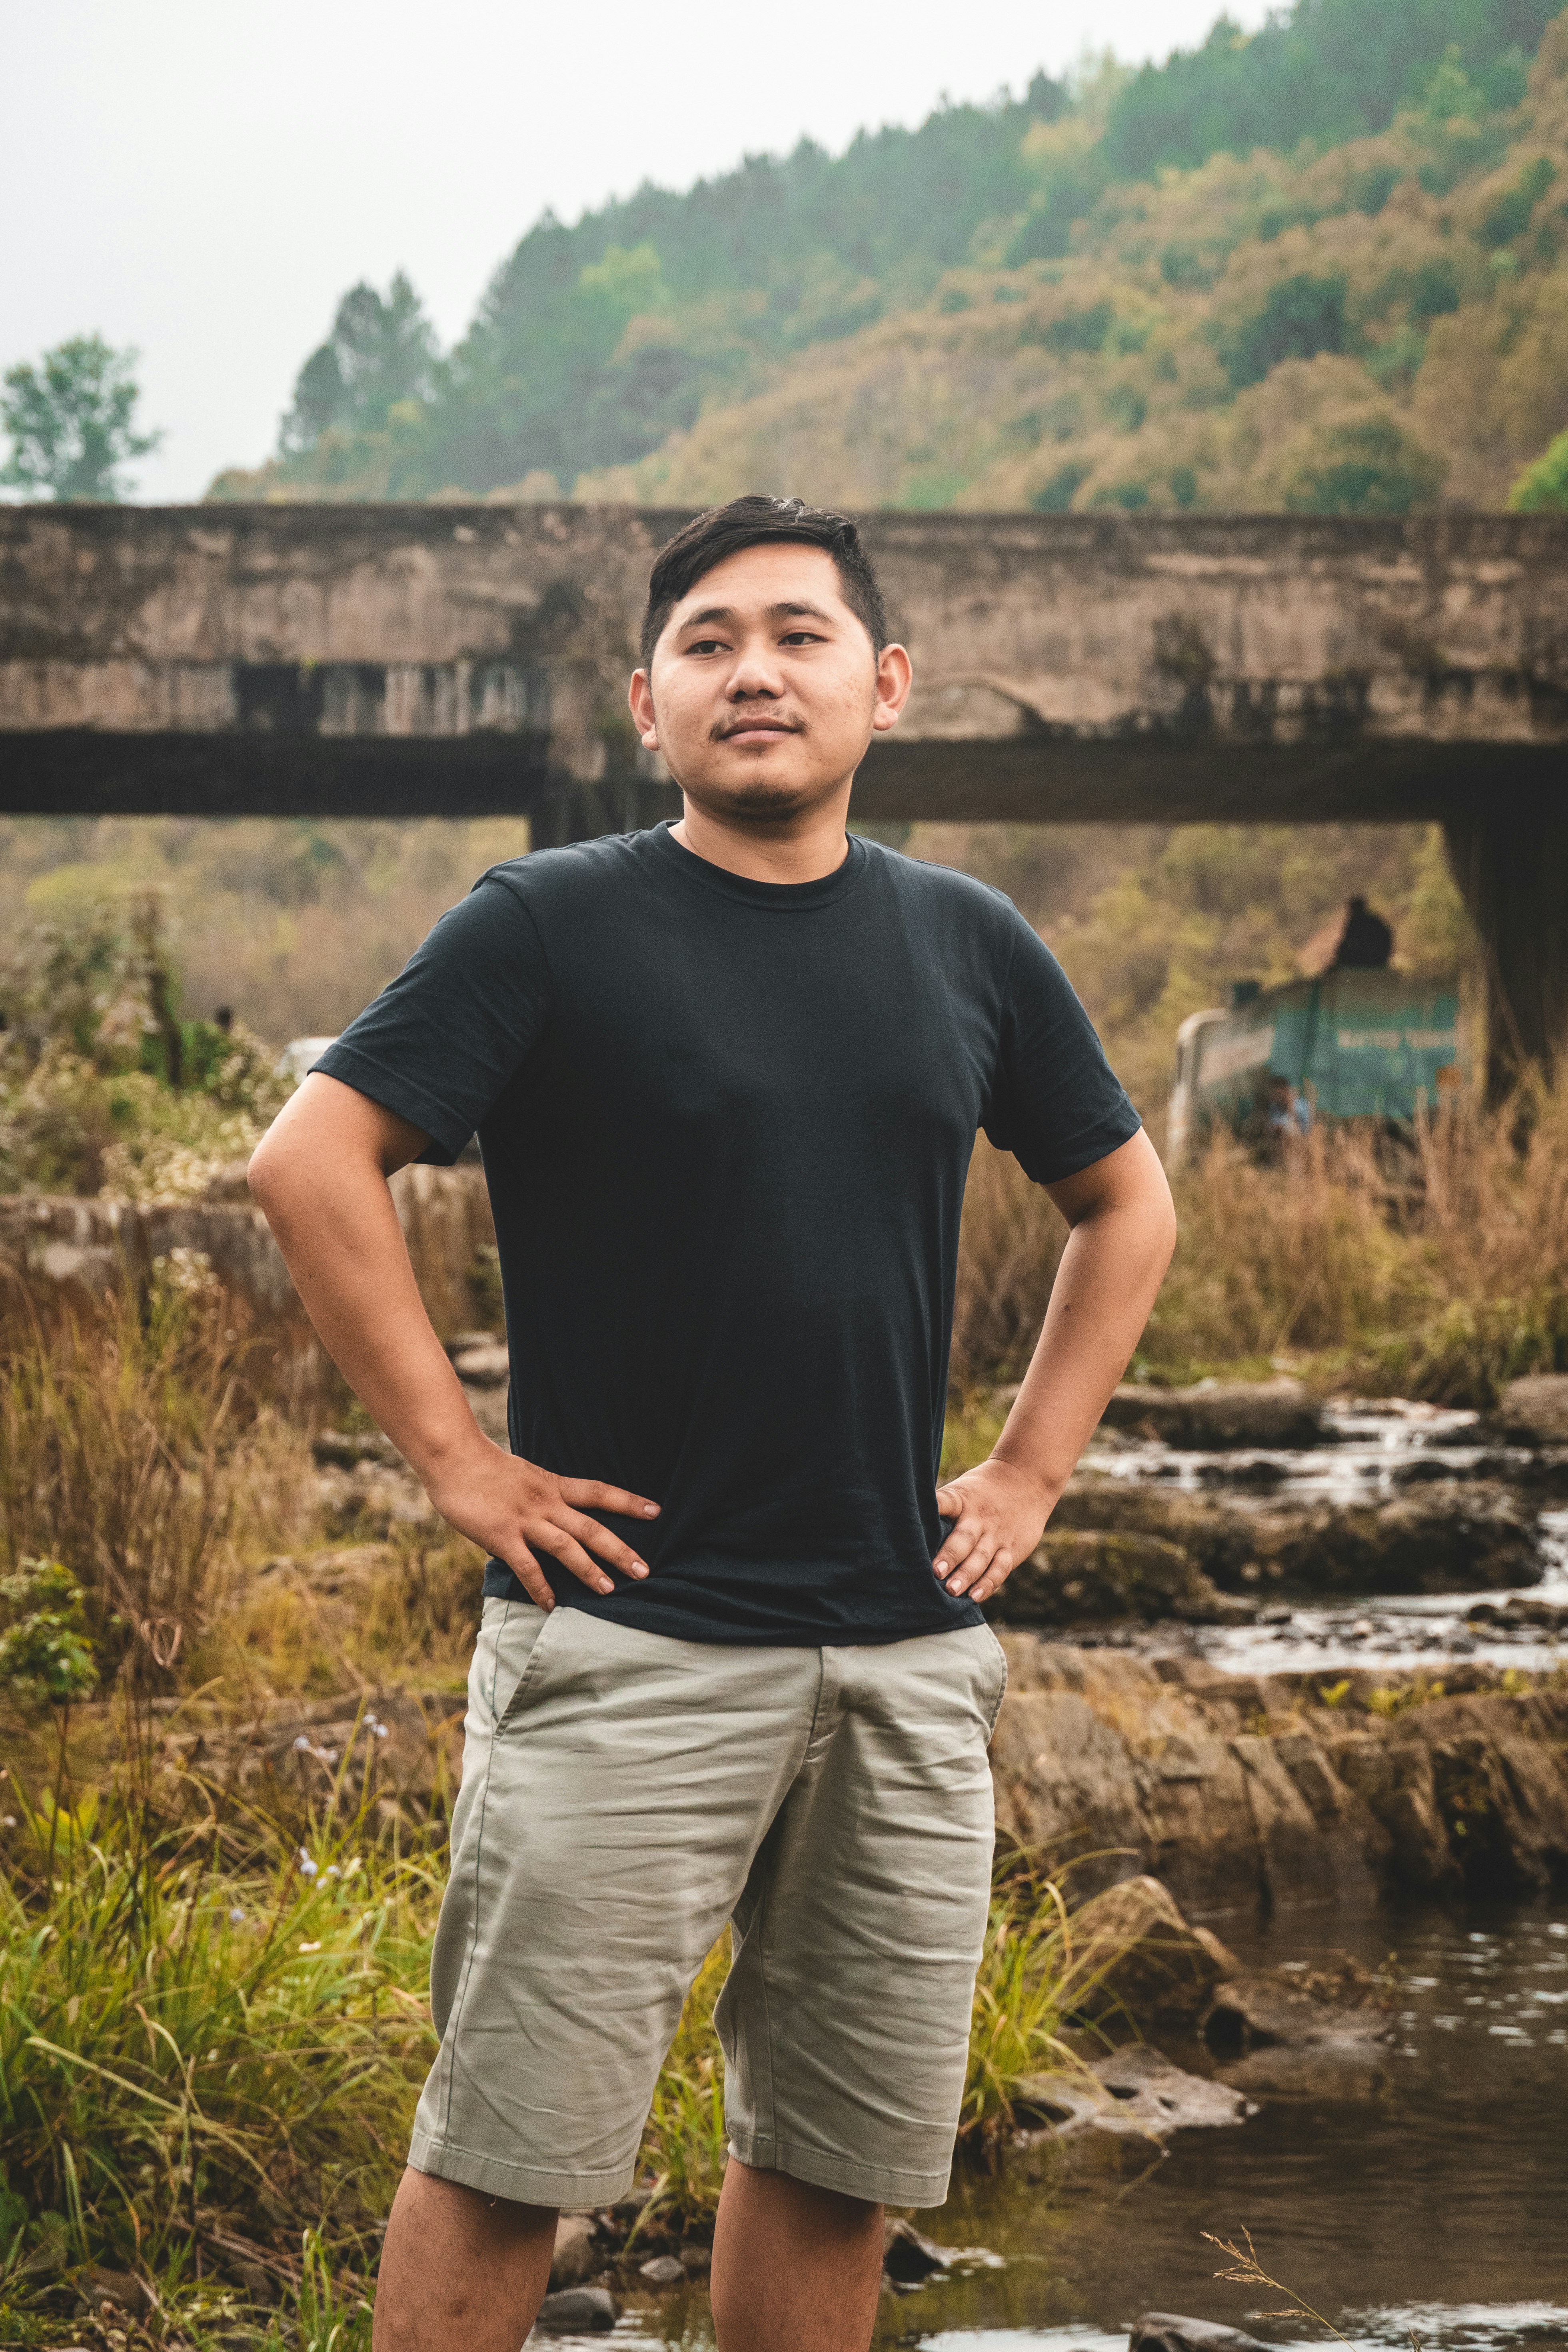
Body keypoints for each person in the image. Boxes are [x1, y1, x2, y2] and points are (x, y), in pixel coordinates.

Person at [248, 494, 1176, 2352]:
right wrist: (459, 1461)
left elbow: (1124, 1200)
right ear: (646, 702)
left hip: (900, 1651)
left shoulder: (968, 943)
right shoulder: (546, 924)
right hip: (629, 1642)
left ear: (884, 684)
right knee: (511, 2155)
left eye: (798, 635)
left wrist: (1026, 1471)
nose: (754, 671)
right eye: (707, 643)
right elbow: (310, 1159)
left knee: (836, 2165)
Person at [1331, 894, 1393, 970]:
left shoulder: (1356, 921)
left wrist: (1338, 957)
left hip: (1366, 959)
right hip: (1379, 959)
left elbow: (1347, 942)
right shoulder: (1375, 921)